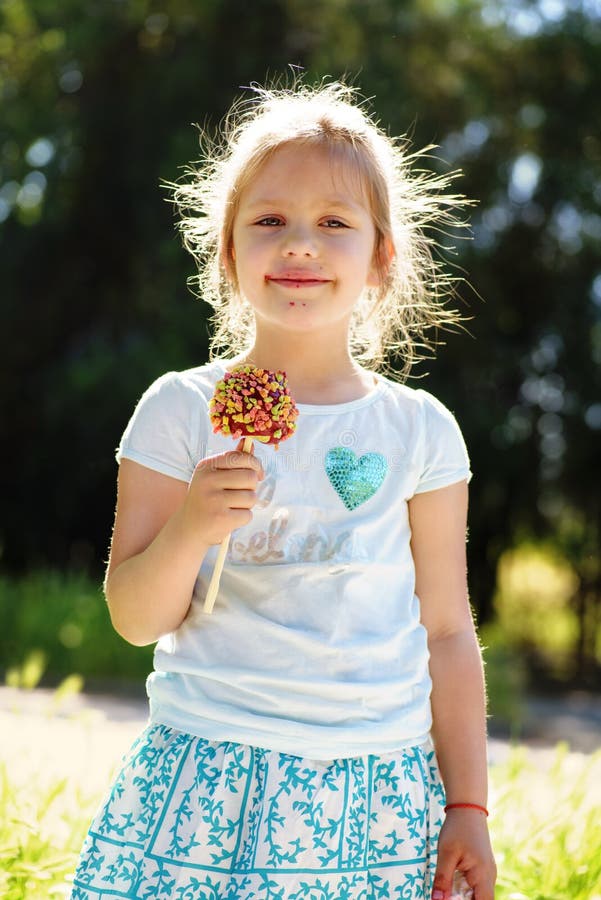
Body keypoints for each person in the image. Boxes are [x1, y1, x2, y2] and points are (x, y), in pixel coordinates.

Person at [71, 79, 496, 900]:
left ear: (381, 258)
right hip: (208, 768)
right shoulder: (181, 409)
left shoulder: (418, 429)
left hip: (375, 783)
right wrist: (192, 526)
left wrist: (467, 806)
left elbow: (446, 630)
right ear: (228, 253)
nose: (299, 245)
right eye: (268, 221)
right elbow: (133, 618)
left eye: (334, 223)